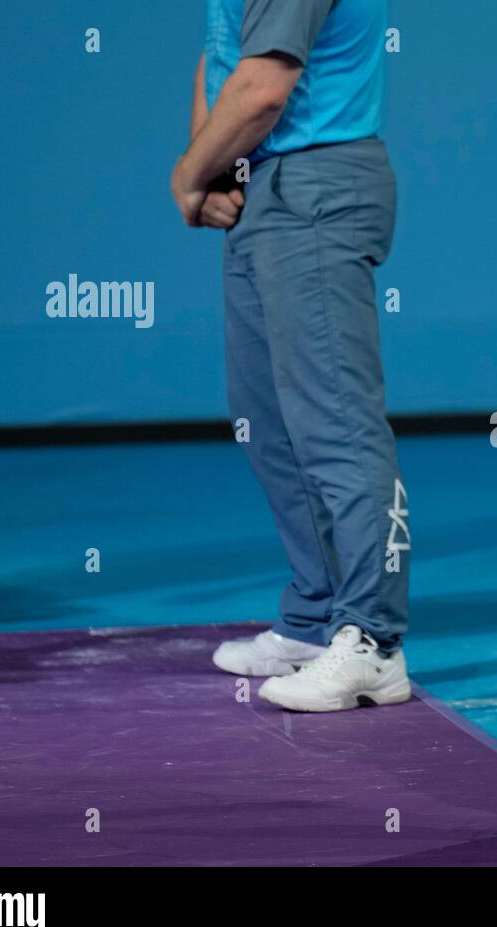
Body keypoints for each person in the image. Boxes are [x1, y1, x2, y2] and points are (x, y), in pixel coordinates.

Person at [170, 0, 410, 712]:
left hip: (315, 186)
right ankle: (316, 616)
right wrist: (213, 169)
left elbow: (264, 86)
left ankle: (374, 641)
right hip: (261, 188)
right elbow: (221, 58)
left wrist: (187, 177)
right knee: (268, 420)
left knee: (336, 422)